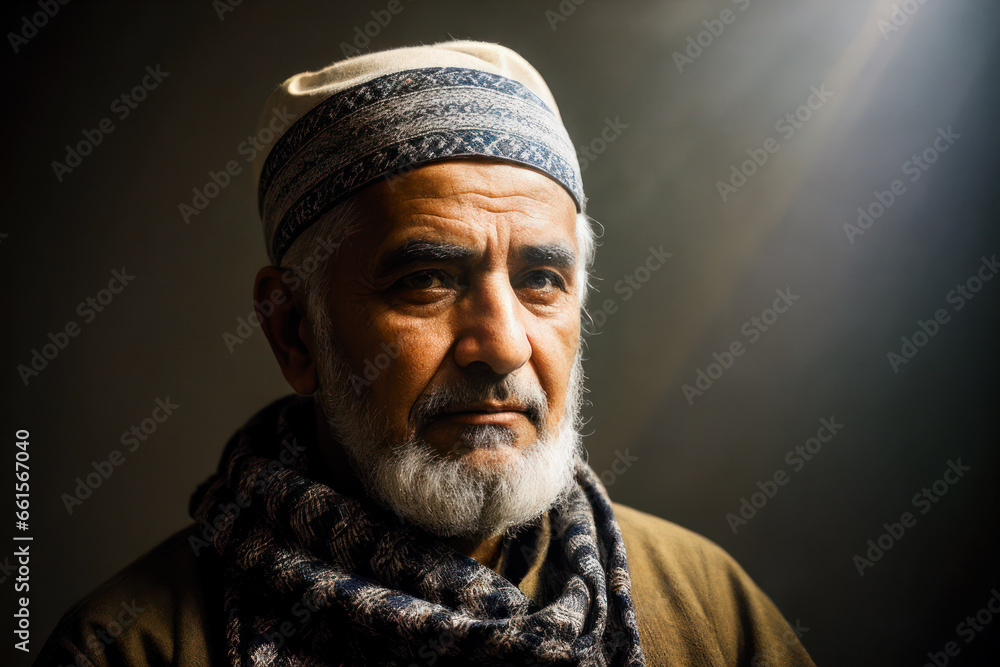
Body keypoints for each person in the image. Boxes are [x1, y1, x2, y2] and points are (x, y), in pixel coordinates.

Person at [35, 40, 815, 666]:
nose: (503, 345)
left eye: (541, 279)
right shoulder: (134, 643)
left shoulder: (713, 609)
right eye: (427, 281)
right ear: (293, 330)